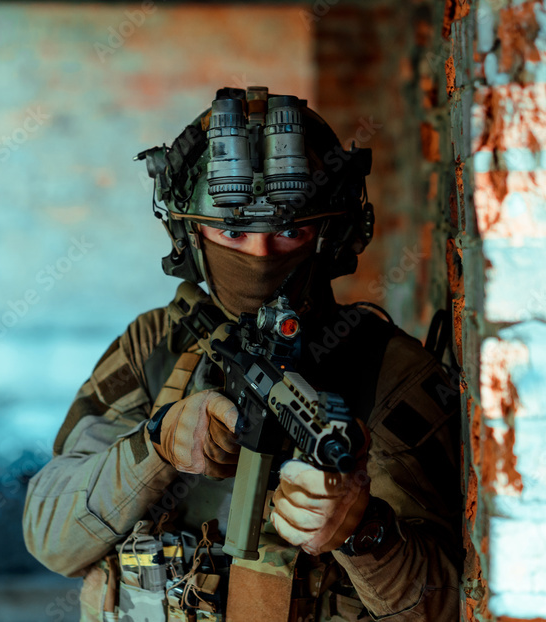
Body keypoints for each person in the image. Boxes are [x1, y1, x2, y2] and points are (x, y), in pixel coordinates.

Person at [23, 86, 462, 621]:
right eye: (232, 230)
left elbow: (447, 606)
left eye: (289, 230)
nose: (260, 257)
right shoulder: (157, 346)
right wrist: (157, 445)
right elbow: (50, 538)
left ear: (331, 235)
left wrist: (363, 530)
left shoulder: (390, 375)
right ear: (191, 234)